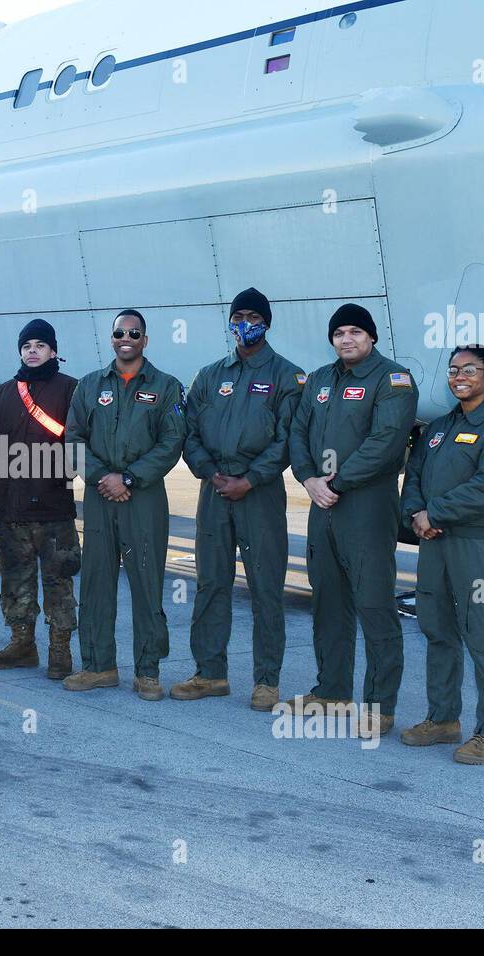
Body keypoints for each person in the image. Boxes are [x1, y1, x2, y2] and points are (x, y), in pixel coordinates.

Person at [287, 303, 418, 736]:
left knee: (374, 603)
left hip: (365, 506)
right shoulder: (320, 380)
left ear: (372, 337)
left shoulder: (393, 380)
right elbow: (298, 433)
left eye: (356, 332)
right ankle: (332, 691)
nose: (347, 339)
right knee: (327, 601)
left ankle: (380, 706)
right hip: (322, 506)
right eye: (339, 332)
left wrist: (336, 484)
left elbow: (385, 442)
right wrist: (308, 478)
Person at [177, 287, 305, 709]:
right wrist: (211, 473)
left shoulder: (288, 376)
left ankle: (266, 680)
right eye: (238, 316)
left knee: (265, 587)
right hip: (213, 492)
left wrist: (250, 480)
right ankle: (209, 673)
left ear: (266, 323)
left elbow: (289, 438)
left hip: (260, 495)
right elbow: (189, 432)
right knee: (211, 583)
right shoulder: (210, 376)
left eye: (252, 316)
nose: (244, 323)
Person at [399, 345, 484, 764]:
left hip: (474, 545)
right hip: (434, 543)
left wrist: (435, 512)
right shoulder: (437, 428)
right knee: (437, 631)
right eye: (454, 369)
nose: (459, 376)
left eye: (470, 369)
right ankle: (442, 719)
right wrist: (417, 514)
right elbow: (414, 473)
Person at [63, 310, 186, 700]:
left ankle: (147, 672)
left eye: (134, 332)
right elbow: (73, 438)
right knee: (97, 582)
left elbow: (172, 442)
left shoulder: (166, 387)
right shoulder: (88, 386)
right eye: (119, 332)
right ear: (112, 339)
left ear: (145, 340)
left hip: (143, 498)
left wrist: (129, 477)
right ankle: (99, 666)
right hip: (100, 497)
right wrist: (103, 477)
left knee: (146, 583)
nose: (126, 338)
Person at [0, 319, 81, 679]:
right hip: (11, 510)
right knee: (15, 581)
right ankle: (22, 644)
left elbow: (81, 442)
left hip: (55, 508)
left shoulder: (72, 390)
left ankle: (60, 650)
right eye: (27, 346)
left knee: (59, 582)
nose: (33, 351)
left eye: (40, 345)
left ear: (53, 351)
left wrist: (65, 474)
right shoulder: (3, 393)